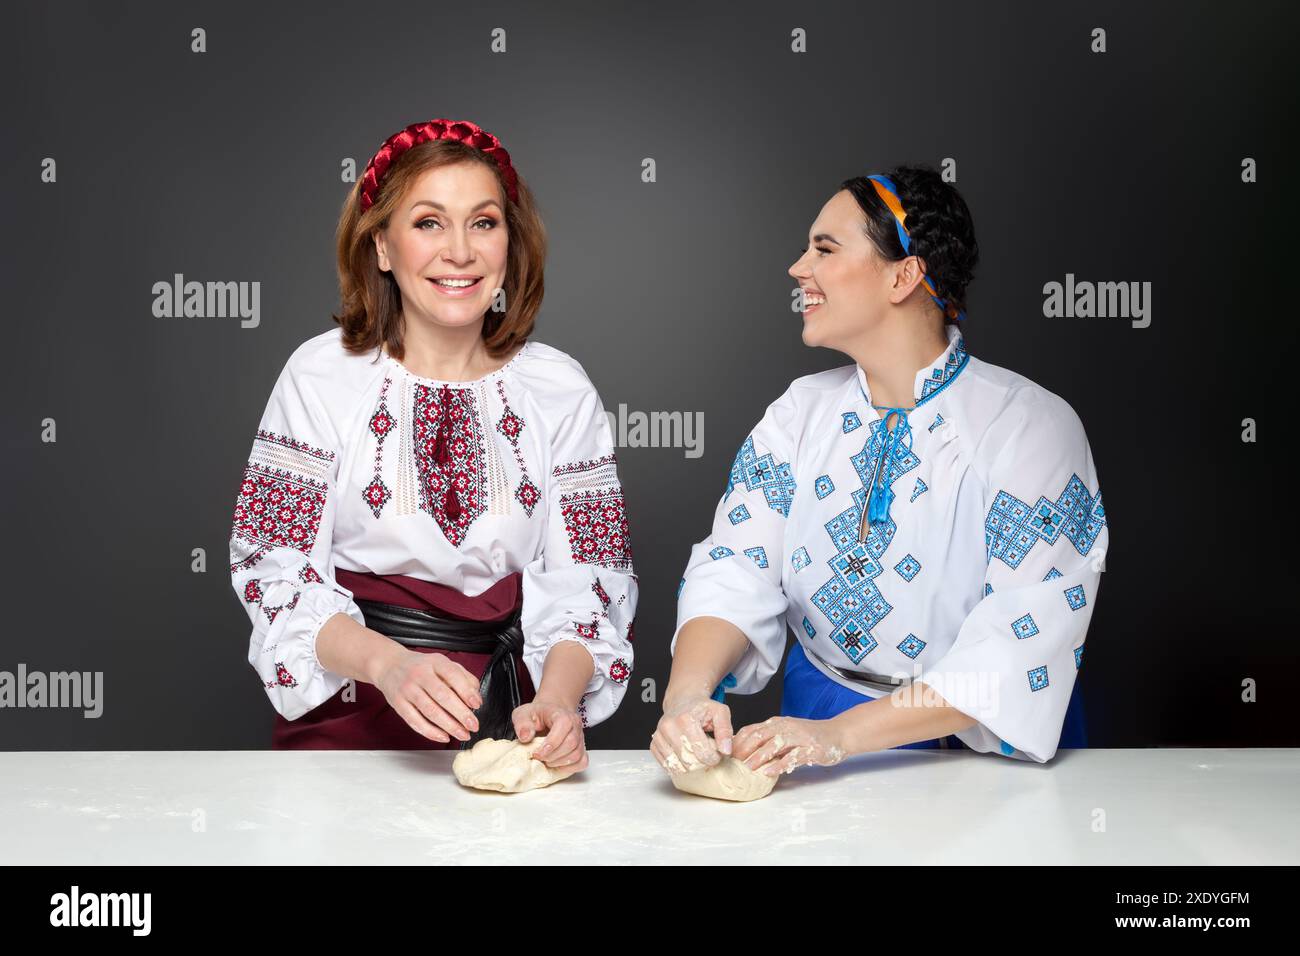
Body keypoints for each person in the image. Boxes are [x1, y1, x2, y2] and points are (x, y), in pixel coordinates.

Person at [654, 166, 1107, 777]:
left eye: (825, 248)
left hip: (973, 745)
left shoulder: (1028, 426)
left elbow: (1016, 645)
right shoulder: (799, 412)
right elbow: (738, 566)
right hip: (817, 711)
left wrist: (839, 736)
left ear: (903, 274)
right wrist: (688, 697)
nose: (798, 269)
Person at [228, 120, 636, 772]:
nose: (460, 252)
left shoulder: (559, 387)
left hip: (513, 721)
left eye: (483, 222)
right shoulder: (321, 375)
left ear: (511, 242)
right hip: (354, 712)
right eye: (428, 223)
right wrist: (388, 665)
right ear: (382, 247)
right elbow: (275, 572)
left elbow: (589, 581)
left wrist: (558, 703)